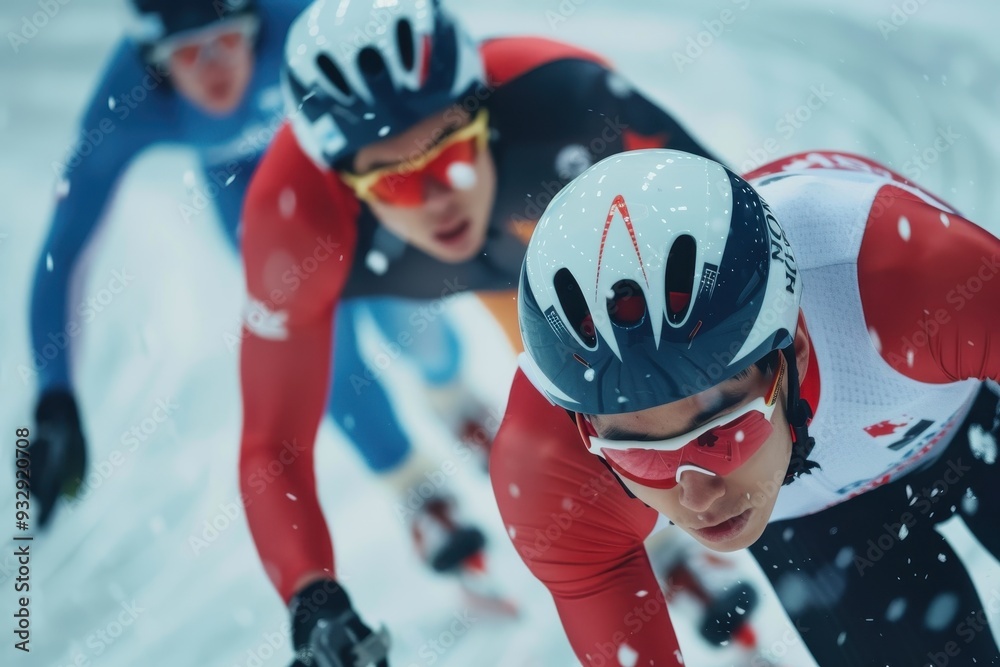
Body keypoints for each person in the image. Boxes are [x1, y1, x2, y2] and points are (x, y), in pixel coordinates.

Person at [238, 0, 720, 662]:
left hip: (544, 252)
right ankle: (436, 409)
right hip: (448, 265)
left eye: (451, 153)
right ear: (347, 183)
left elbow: (751, 245)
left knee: (613, 352)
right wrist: (310, 591)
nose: (439, 197)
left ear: (483, 108)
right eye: (398, 182)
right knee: (401, 353)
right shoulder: (294, 224)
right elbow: (275, 440)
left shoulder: (568, 99)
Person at [491, 147, 1000, 666]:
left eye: (720, 433)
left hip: (969, 409)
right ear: (584, 429)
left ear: (795, 347)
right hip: (821, 523)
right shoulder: (551, 465)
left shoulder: (913, 284)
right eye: (643, 455)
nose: (698, 496)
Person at [24, 0, 476, 544]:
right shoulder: (127, 103)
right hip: (249, 198)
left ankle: (454, 396)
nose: (214, 65)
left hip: (330, 161)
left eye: (227, 41)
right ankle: (416, 489)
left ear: (255, 30)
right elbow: (66, 248)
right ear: (156, 62)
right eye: (190, 53)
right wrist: (55, 395)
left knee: (396, 299)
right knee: (320, 342)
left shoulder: (297, 19)